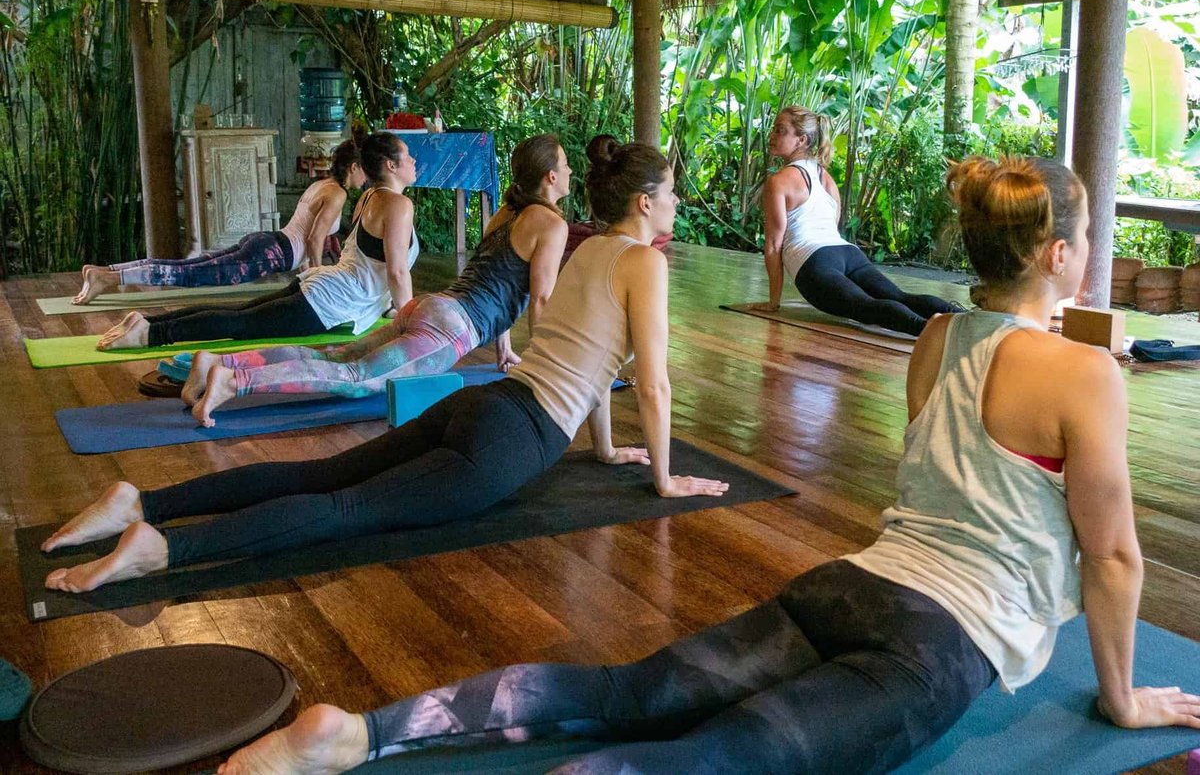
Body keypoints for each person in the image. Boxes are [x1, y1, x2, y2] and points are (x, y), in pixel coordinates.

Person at [214, 155, 1197, 775]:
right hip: (938, 643)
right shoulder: (1082, 372)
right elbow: (1111, 560)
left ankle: (359, 736)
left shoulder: (940, 336)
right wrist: (1118, 696)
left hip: (853, 585)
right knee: (713, 760)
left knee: (627, 696)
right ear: (1061, 256)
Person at [40, 140, 728, 595]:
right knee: (348, 510)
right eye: (670, 193)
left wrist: (606, 450)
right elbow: (652, 383)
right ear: (646, 202)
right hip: (516, 437)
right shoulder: (645, 262)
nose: (674, 203)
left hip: (481, 404)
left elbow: (584, 352)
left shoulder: (588, 252)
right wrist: (664, 480)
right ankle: (164, 549)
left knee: (325, 475)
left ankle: (144, 503)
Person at [183, 134, 572, 427]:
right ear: (551, 176)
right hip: (450, 328)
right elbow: (538, 300)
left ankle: (219, 362)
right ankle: (234, 382)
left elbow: (494, 275)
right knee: (356, 377)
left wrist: (504, 350)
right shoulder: (552, 224)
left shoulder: (506, 213)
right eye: (567, 165)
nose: (571, 172)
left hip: (430, 307)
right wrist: (548, 370)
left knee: (335, 356)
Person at [93, 132, 418, 350]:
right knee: (241, 323)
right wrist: (409, 324)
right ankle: (150, 333)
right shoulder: (398, 204)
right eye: (408, 157)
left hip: (325, 285)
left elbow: (372, 263)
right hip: (330, 300)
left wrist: (388, 306)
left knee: (239, 314)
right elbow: (397, 273)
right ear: (391, 165)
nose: (414, 162)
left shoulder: (371, 197)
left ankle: (147, 321)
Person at [73, 140, 366, 305]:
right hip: (271, 253)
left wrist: (307, 270)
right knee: (187, 274)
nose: (365, 178)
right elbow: (314, 240)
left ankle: (104, 272)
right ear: (353, 167)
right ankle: (109, 279)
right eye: (364, 171)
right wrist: (315, 277)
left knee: (186, 267)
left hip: (266, 243)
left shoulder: (322, 185)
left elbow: (310, 237)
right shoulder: (337, 193)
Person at [753, 106, 958, 336]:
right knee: (899, 297)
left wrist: (773, 302)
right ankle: (966, 321)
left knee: (866, 308)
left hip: (813, 263)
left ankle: (933, 333)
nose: (772, 135)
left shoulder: (778, 182)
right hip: (847, 253)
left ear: (802, 140)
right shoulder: (826, 178)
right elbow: (833, 224)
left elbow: (773, 245)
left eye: (780, 130)